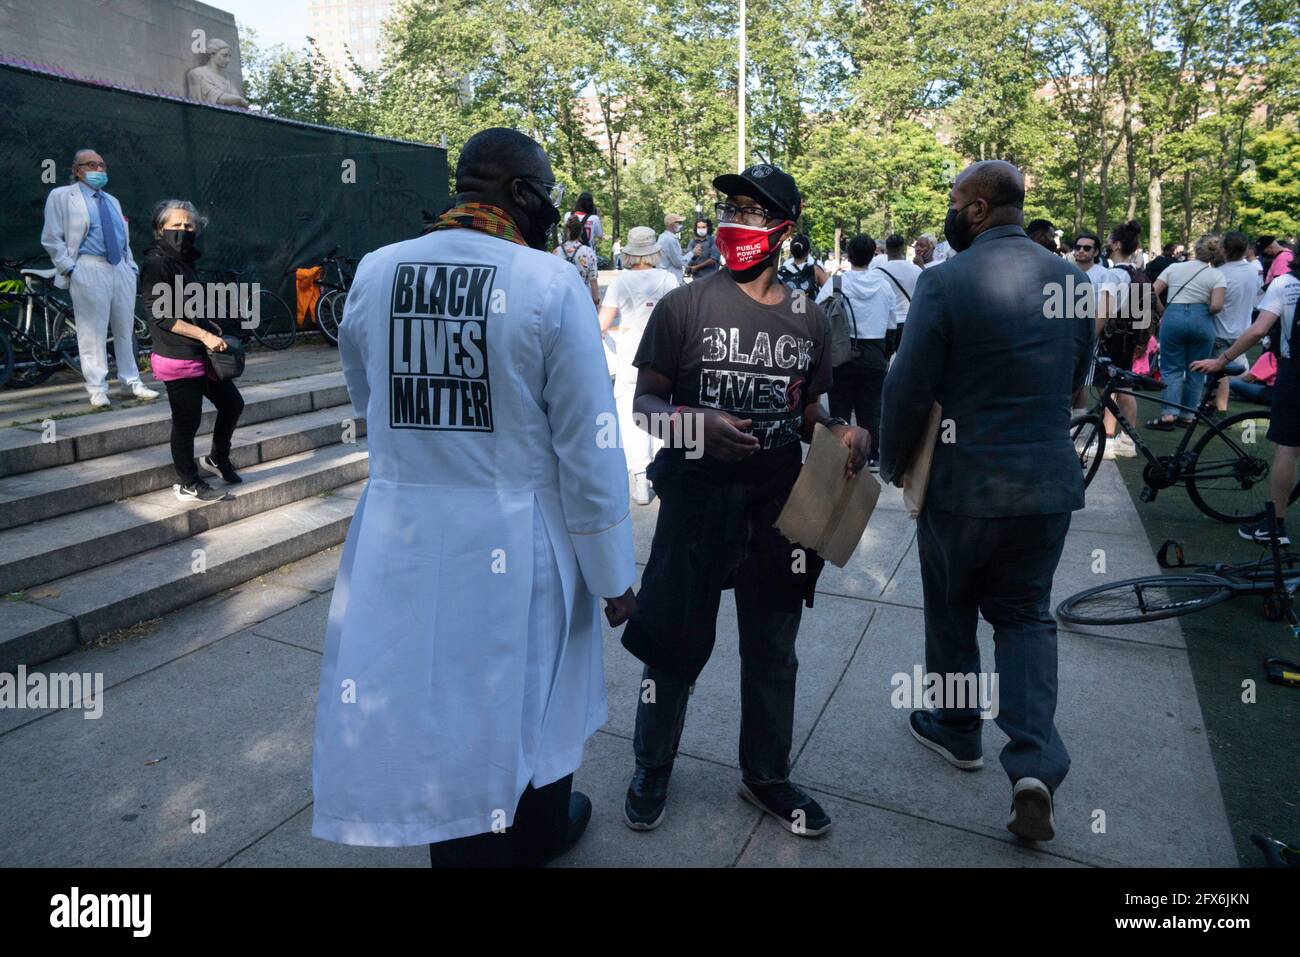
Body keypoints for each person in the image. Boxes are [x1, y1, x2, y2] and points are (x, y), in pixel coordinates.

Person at [311, 127, 637, 867]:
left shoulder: (374, 272)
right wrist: (615, 576)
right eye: (547, 197)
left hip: (402, 537)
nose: (553, 214)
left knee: (431, 704)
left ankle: (456, 847)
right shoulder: (548, 284)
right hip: (517, 538)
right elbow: (590, 450)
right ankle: (534, 832)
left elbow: (368, 400)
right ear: (521, 195)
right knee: (529, 702)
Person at [620, 162, 870, 838]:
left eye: (755, 211)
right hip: (694, 506)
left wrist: (845, 432)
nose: (738, 219)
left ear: (784, 230)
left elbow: (813, 410)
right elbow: (645, 403)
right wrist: (691, 425)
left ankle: (766, 774)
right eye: (732, 206)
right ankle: (651, 763)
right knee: (671, 647)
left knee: (772, 650)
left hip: (775, 512)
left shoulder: (809, 317)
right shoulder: (684, 305)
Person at [879, 160, 1095, 843]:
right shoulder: (1075, 281)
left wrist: (891, 460)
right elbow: (1076, 381)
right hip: (1047, 485)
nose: (948, 211)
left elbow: (907, 386)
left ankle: (958, 729)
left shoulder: (944, 281)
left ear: (975, 208)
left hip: (962, 486)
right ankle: (1033, 764)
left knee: (952, 608)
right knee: (1026, 616)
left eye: (952, 201)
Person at [1192, 251, 1300, 544]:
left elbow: (1258, 329)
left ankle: (1274, 525)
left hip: (1295, 373)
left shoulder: (1286, 283)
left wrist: (1222, 360)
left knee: (1288, 448)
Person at [139, 199, 244, 502]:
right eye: (176, 225)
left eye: (189, 225)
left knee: (232, 404)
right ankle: (187, 481)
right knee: (187, 421)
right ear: (160, 229)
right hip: (178, 356)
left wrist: (215, 326)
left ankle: (217, 459)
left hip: (202, 354)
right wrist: (204, 335)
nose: (183, 230)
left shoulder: (183, 259)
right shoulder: (157, 263)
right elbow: (162, 315)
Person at [40, 149, 159, 408]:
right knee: (91, 331)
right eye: (91, 165)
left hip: (119, 269)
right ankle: (97, 388)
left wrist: (130, 266)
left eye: (102, 165)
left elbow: (121, 237)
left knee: (125, 328)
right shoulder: (61, 196)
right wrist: (70, 268)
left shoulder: (112, 200)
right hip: (88, 267)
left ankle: (131, 381)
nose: (98, 170)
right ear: (77, 170)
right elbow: (51, 237)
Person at [598, 226, 679, 505]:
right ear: (654, 251)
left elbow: (602, 325)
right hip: (666, 359)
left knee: (631, 417)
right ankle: (663, 472)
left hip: (630, 356)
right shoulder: (669, 279)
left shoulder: (620, 283)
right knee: (663, 412)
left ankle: (641, 480)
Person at [817, 234, 896, 469]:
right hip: (874, 351)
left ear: (848, 255)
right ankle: (871, 454)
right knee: (871, 406)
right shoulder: (884, 286)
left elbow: (820, 315)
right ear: (873, 256)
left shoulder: (835, 283)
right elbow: (892, 324)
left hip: (841, 352)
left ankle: (841, 451)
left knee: (840, 403)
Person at [1148, 234, 1227, 429]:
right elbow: (1217, 305)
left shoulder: (1174, 267)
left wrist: (1163, 310)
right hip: (1202, 319)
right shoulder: (1217, 275)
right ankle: (1188, 415)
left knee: (1171, 368)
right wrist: (1202, 311)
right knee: (1197, 369)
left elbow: (1151, 291)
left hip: (1173, 316)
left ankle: (1168, 415)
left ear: (1196, 249)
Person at [1096, 219, 1148, 458]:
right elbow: (1148, 310)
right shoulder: (1138, 273)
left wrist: (1090, 337)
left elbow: (1103, 312)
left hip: (1112, 338)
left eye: (1109, 240)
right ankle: (1124, 439)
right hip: (1130, 337)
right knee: (1122, 385)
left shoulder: (1114, 275)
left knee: (1111, 386)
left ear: (1116, 244)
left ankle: (1110, 440)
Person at [1214, 231, 1262, 413]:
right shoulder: (1253, 271)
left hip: (1221, 329)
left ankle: (1220, 409)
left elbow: (1214, 303)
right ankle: (1219, 403)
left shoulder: (1219, 274)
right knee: (1234, 369)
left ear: (1224, 249)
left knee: (1220, 373)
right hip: (1243, 330)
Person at [873, 233, 922, 350]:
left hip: (886, 322)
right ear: (902, 248)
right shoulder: (916, 270)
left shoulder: (877, 273)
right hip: (909, 321)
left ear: (886, 249)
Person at [554, 215, 601, 309]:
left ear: (566, 231)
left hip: (561, 298)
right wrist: (596, 301)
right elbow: (593, 280)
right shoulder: (588, 252)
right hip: (583, 298)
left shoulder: (556, 252)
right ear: (581, 231)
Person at [658, 213, 686, 282]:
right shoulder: (670, 240)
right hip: (672, 279)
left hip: (666, 278)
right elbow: (678, 263)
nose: (681, 225)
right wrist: (692, 253)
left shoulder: (663, 237)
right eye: (679, 223)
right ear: (672, 224)